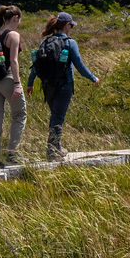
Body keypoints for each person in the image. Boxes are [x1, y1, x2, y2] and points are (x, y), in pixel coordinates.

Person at [27, 11, 99, 161]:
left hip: (47, 86)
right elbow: (79, 65)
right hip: (64, 85)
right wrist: (93, 78)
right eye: (71, 25)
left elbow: (36, 65)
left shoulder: (45, 42)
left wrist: (30, 83)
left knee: (55, 115)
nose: (71, 28)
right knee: (58, 118)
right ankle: (52, 151)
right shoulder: (70, 43)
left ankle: (57, 148)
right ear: (66, 25)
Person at [0, 5, 27, 168]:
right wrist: (17, 84)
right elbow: (14, 61)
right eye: (19, 20)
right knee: (20, 114)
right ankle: (12, 153)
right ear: (15, 18)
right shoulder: (13, 35)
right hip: (7, 79)